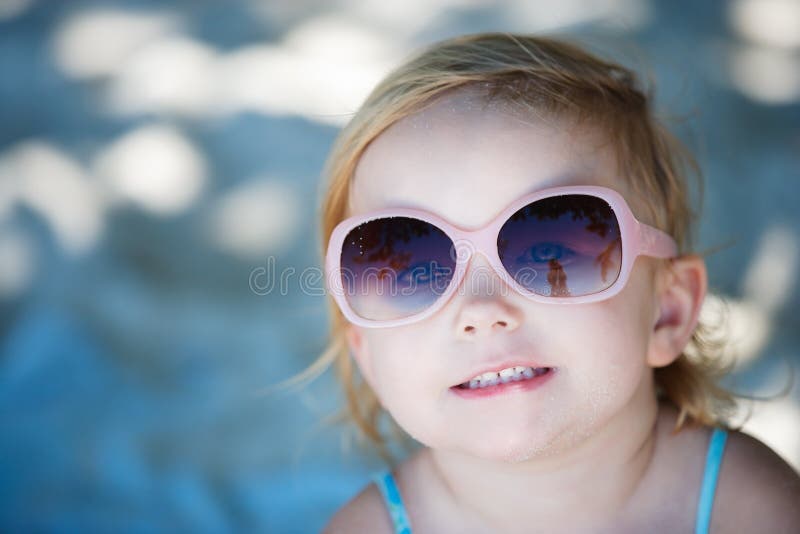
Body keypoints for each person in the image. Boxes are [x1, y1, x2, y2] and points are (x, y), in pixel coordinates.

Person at [310, 32, 800, 533]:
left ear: (666, 311)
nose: (481, 308)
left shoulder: (748, 507)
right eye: (413, 268)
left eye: (551, 249)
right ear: (365, 352)